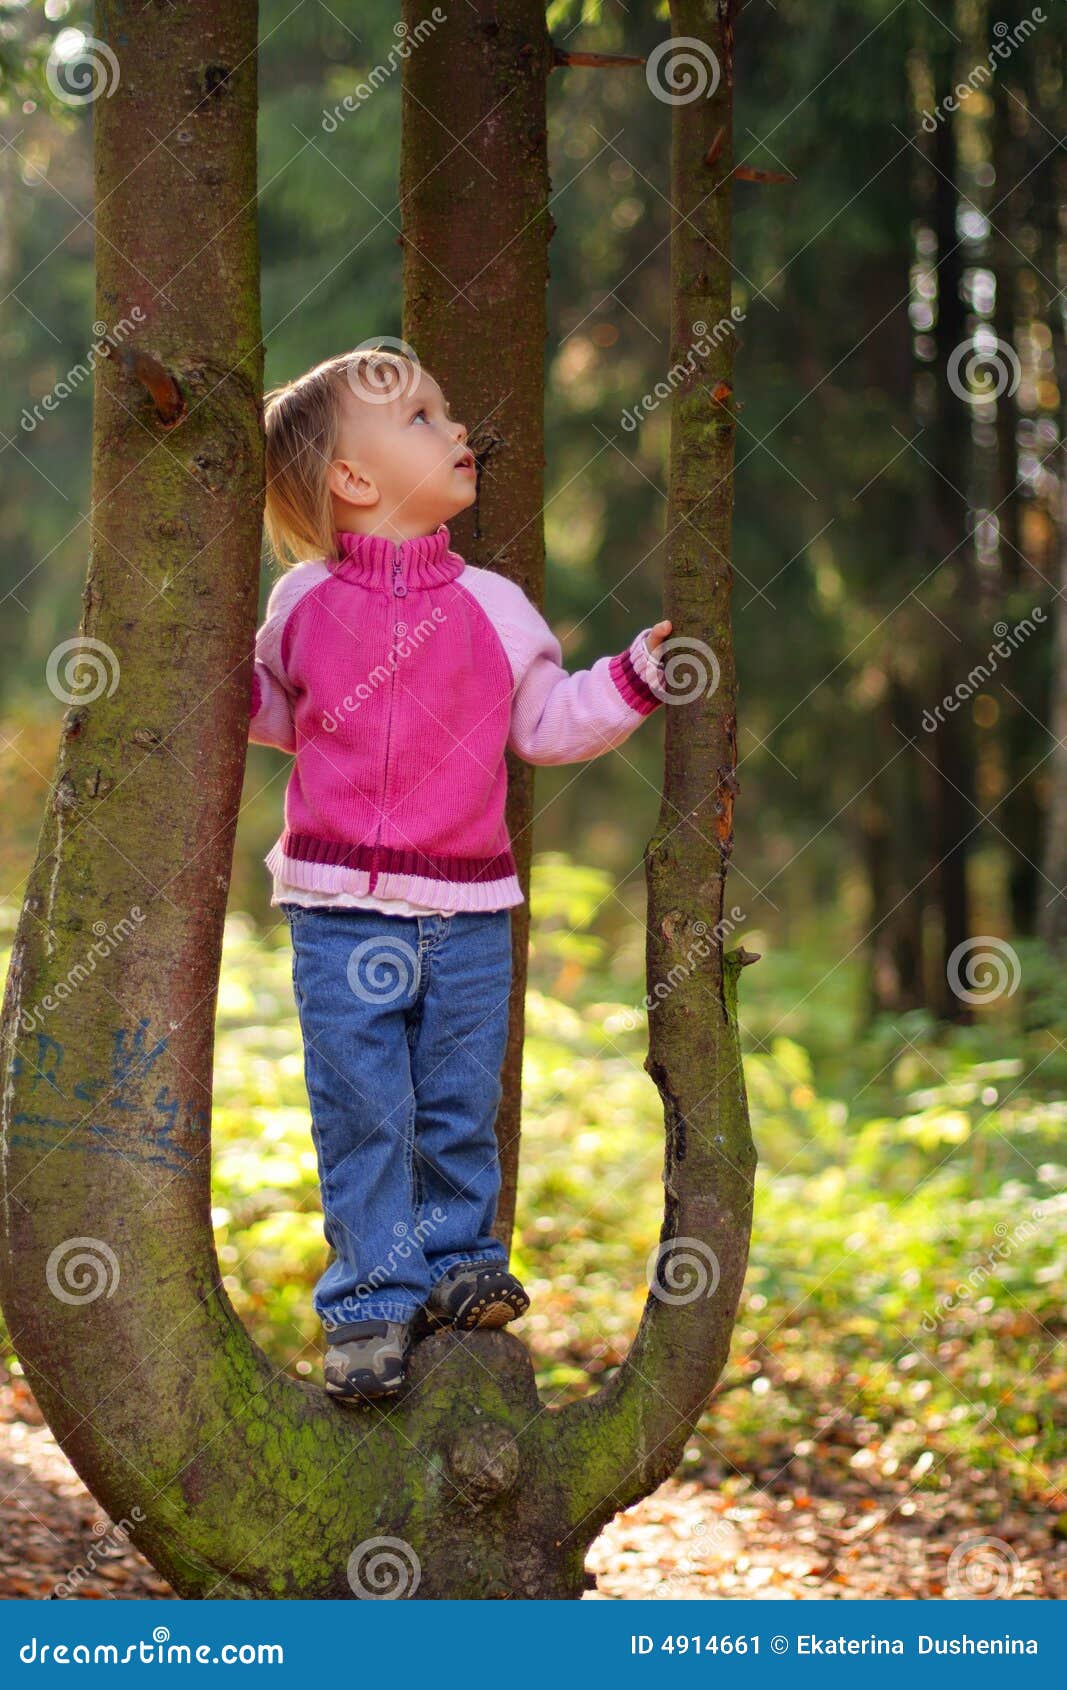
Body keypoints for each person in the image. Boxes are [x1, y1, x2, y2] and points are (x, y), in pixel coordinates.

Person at [248, 346, 672, 1401]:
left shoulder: (494, 604)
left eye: (444, 412)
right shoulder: (301, 602)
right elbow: (272, 712)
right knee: (361, 1110)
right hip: (337, 909)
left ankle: (459, 1264)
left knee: (455, 1099)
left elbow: (545, 724)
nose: (455, 431)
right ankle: (369, 1306)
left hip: (469, 911)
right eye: (422, 419)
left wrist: (629, 680)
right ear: (352, 478)